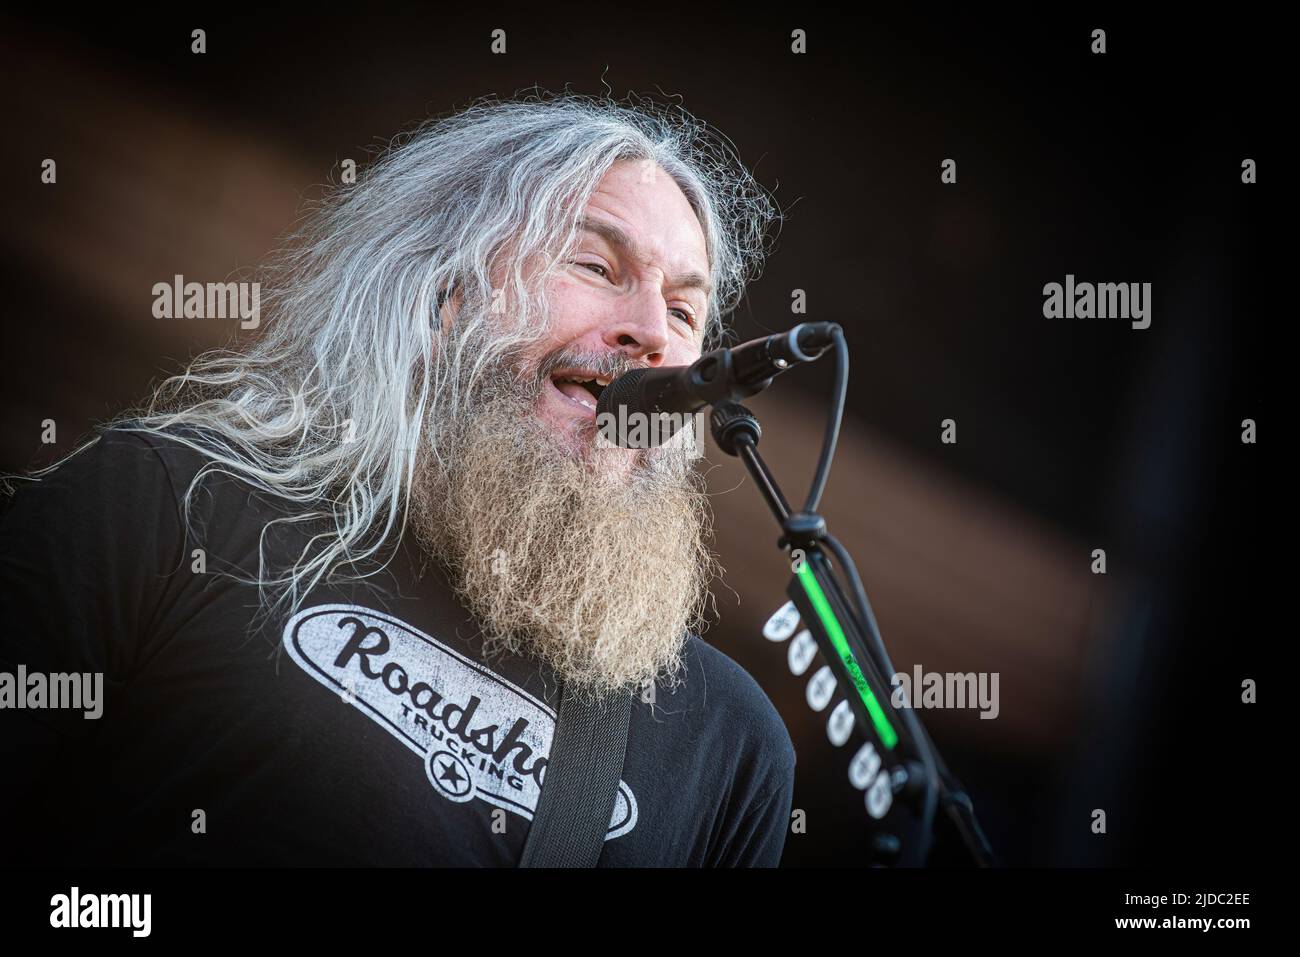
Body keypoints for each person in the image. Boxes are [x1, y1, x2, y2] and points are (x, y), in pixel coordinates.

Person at [0, 94, 796, 866]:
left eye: (685, 313)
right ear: (445, 296)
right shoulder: (169, 505)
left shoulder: (726, 745)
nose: (653, 332)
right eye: (595, 263)